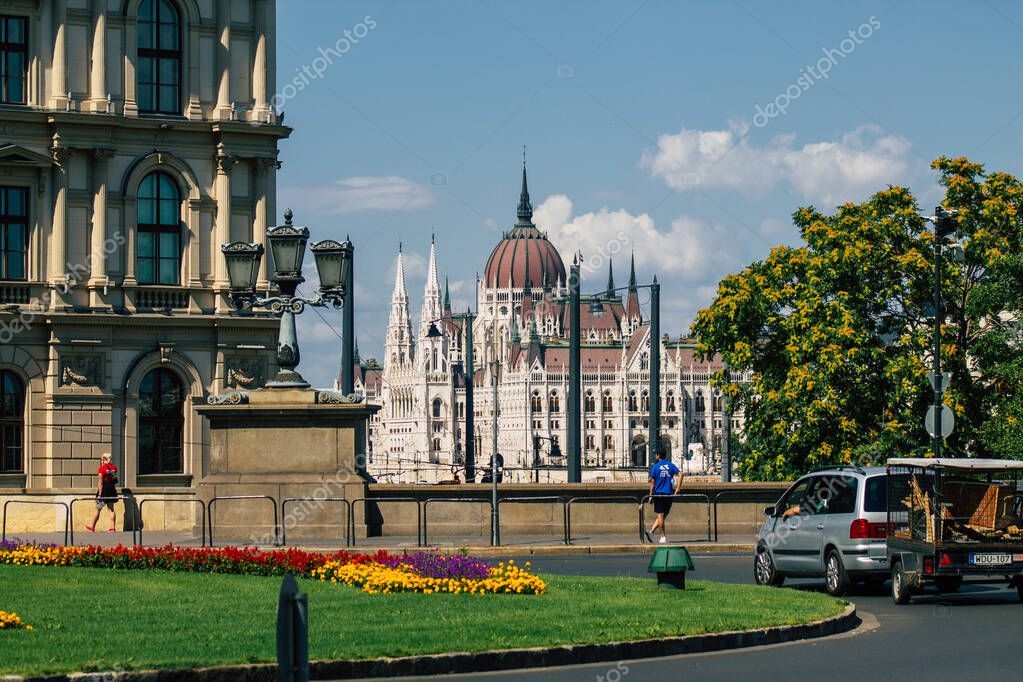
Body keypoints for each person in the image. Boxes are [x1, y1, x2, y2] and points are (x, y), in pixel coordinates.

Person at [645, 450, 682, 544]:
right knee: (664, 514)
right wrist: (678, 488)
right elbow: (680, 474)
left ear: (658, 455)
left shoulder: (655, 466)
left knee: (660, 515)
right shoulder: (670, 465)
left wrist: (650, 495)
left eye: (656, 454)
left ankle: (662, 537)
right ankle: (651, 532)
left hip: (658, 493)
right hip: (669, 493)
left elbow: (652, 482)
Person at [85, 453, 118, 532]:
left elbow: (100, 482)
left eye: (102, 459)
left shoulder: (102, 469)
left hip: (104, 490)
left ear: (104, 459)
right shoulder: (114, 468)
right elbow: (113, 478)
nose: (101, 461)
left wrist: (100, 494)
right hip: (112, 489)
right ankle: (112, 528)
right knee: (111, 509)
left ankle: (92, 527)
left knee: (98, 508)